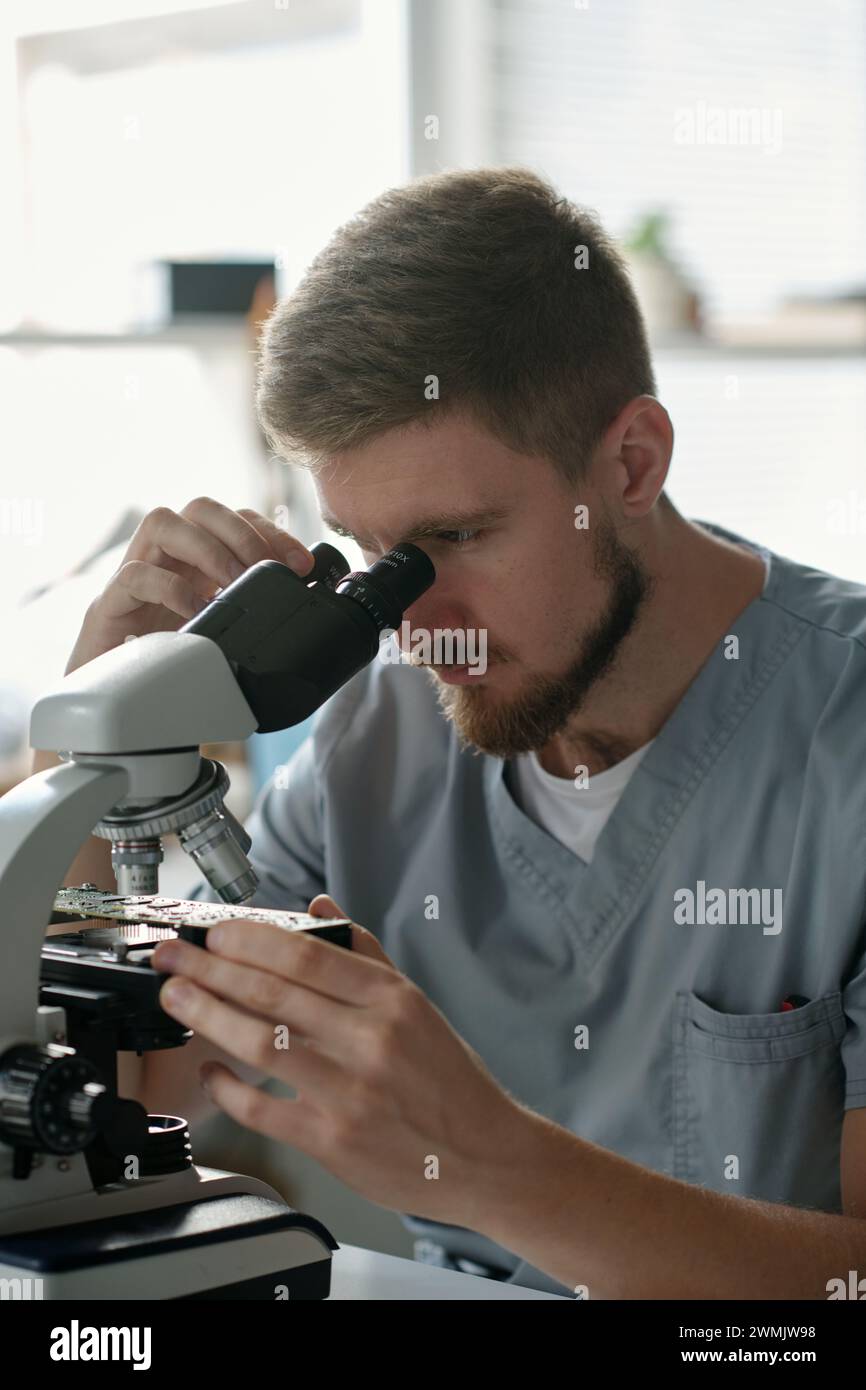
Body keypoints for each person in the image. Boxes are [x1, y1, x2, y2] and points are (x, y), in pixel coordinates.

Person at [45, 167, 866, 1299]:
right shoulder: (370, 747)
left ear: (629, 463)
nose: (413, 626)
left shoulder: (844, 741)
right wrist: (86, 752)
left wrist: (492, 1165)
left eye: (457, 536)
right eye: (370, 554)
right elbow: (133, 1089)